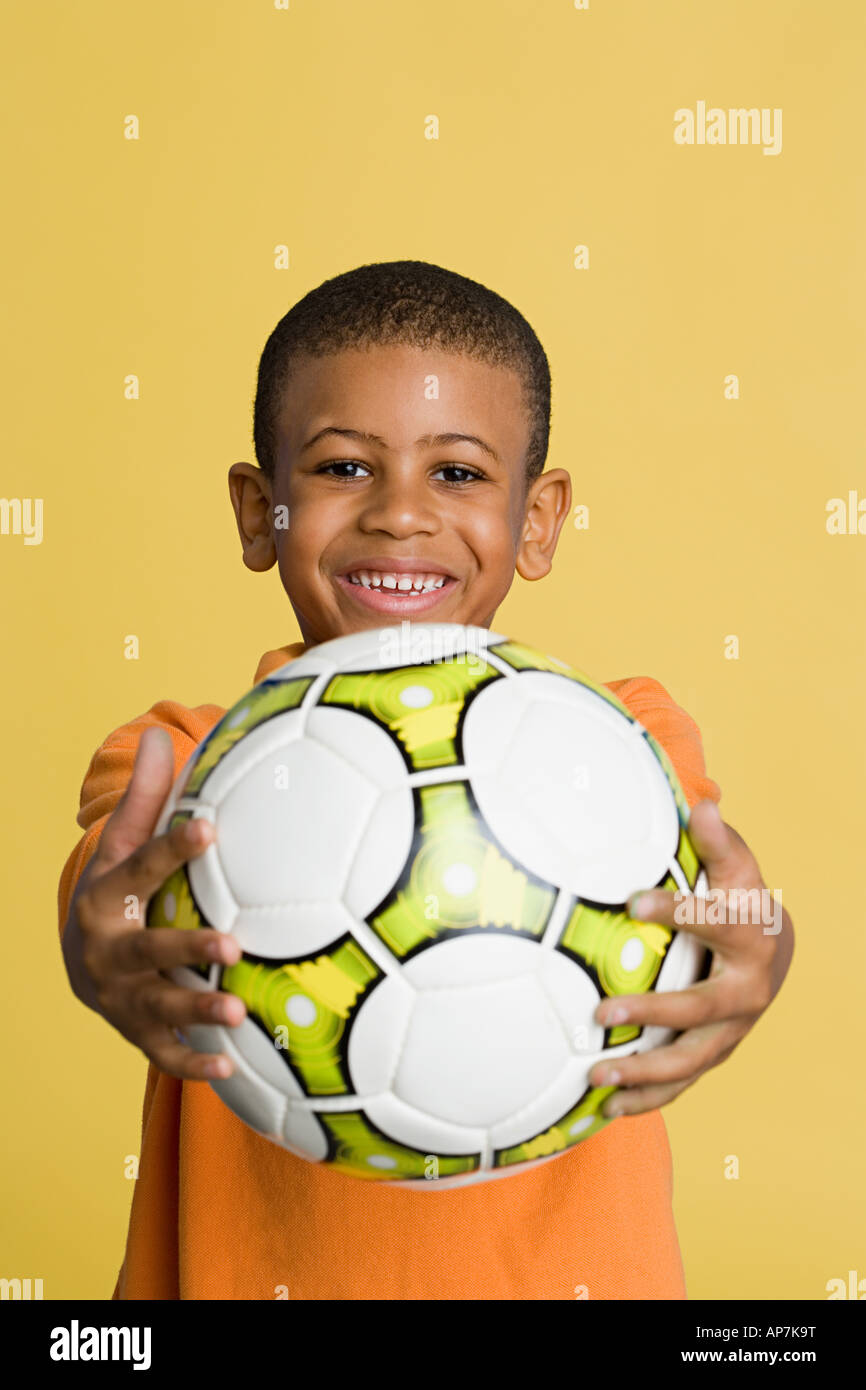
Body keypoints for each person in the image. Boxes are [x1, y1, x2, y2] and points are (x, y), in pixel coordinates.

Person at [58, 259, 794, 1300]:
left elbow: (721, 902)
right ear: (254, 510)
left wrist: (760, 942)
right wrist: (106, 940)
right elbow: (110, 895)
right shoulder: (181, 758)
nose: (399, 516)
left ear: (536, 519)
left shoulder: (621, 744)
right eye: (342, 468)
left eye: (455, 472)